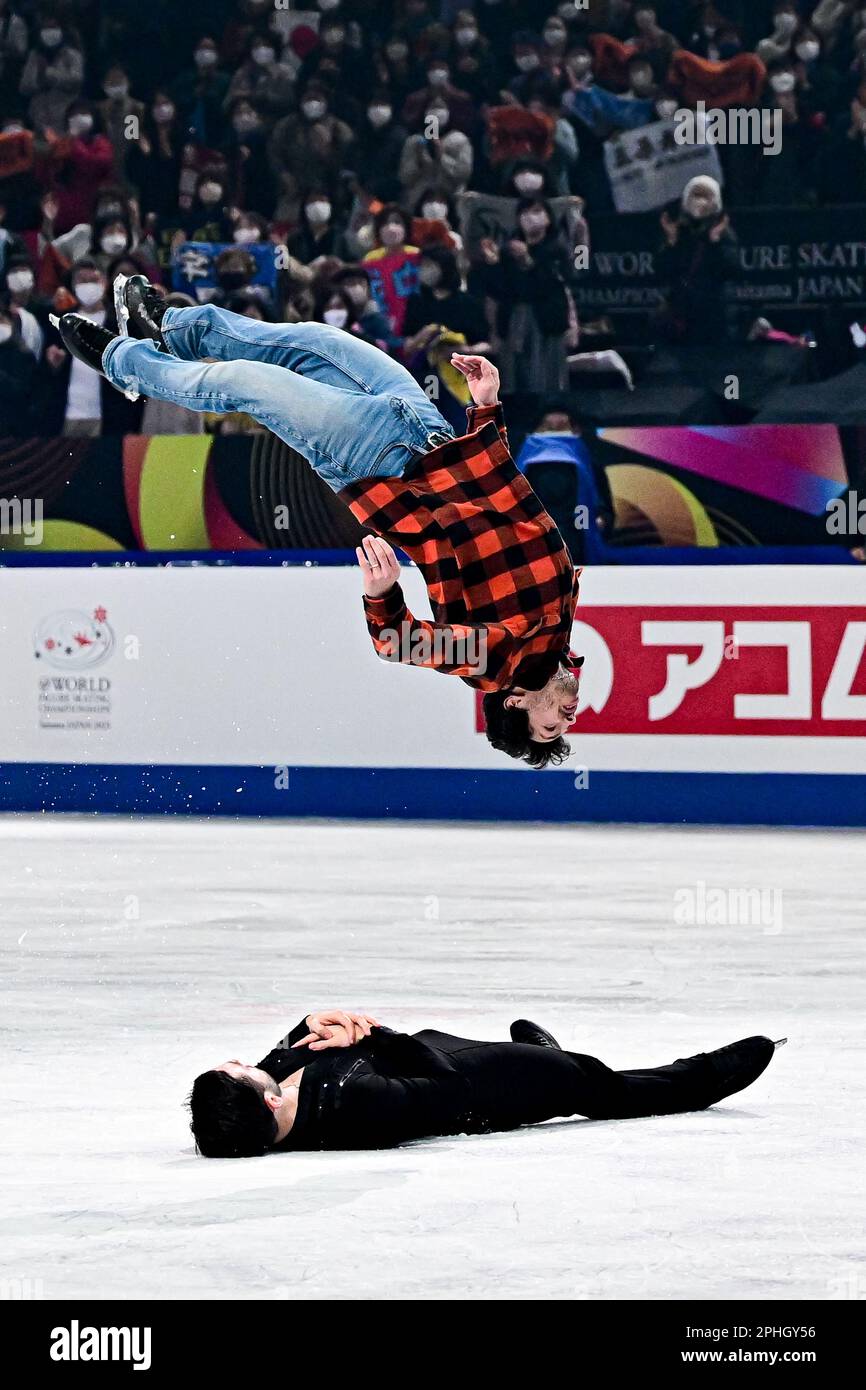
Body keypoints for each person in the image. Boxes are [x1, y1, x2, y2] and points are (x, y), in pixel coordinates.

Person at [53, 274, 583, 765]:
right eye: (563, 726)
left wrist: (383, 594)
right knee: (303, 342)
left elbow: (397, 643)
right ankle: (168, 327)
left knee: (249, 384)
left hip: (377, 461)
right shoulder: (559, 622)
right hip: (427, 426)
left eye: (548, 729)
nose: (567, 719)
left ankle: (123, 362)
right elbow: (507, 503)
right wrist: (486, 412)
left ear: (515, 705)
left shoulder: (492, 661)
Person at [187, 1006, 784, 1156]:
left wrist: (307, 1028)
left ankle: (544, 1052)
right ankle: (724, 1067)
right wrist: (373, 1034)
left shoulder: (288, 1112)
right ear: (266, 1100)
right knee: (612, 1090)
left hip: (467, 1055)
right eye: (238, 1067)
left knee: (568, 1069)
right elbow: (449, 1090)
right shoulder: (355, 1105)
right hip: (509, 1080)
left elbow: (282, 1068)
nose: (244, 1057)